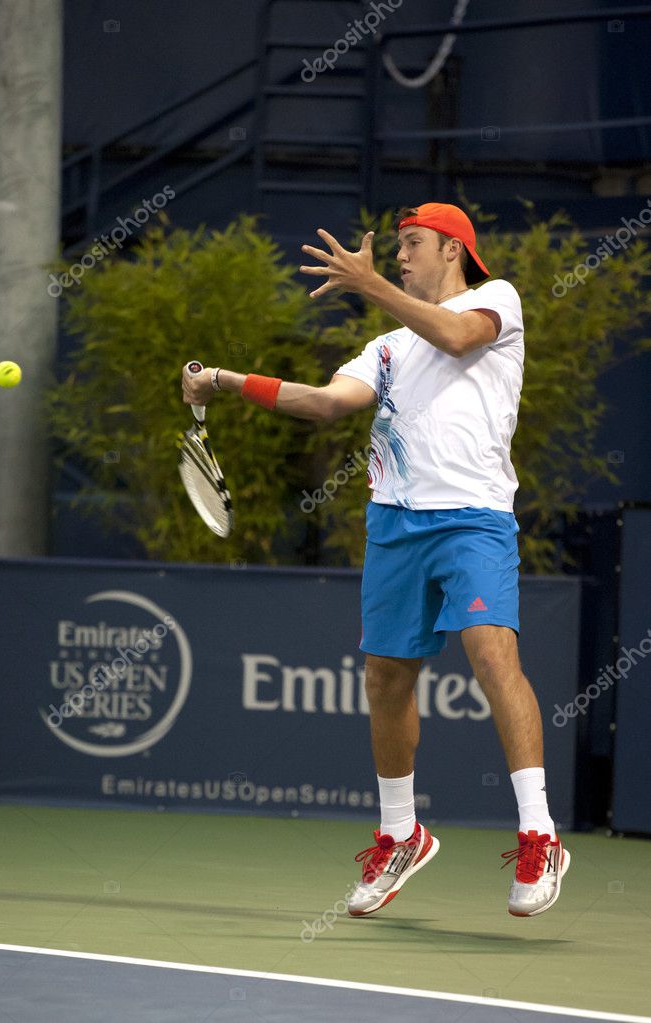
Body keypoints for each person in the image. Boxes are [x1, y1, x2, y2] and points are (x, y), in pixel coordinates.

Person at [182, 201, 570, 919]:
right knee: (385, 679)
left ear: (454, 249)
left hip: (473, 519)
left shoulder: (496, 300)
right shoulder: (385, 347)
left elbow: (456, 337)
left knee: (492, 654)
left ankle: (538, 830)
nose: (400, 256)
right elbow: (328, 403)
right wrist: (229, 381)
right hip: (394, 523)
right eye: (396, 247)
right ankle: (400, 833)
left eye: (413, 243)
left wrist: (367, 286)